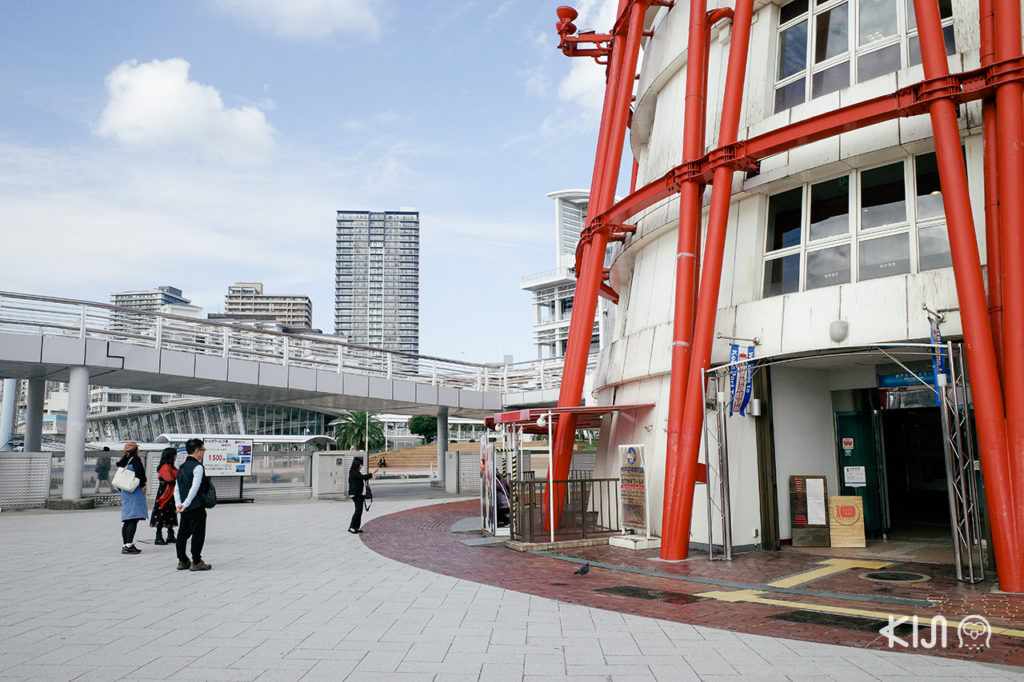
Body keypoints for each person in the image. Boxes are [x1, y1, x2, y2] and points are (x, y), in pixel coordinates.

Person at [174, 439, 212, 571]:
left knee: (182, 534)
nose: (203, 453)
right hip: (196, 506)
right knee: (198, 534)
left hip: (185, 508)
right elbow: (195, 487)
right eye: (203, 450)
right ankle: (196, 561)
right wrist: (186, 503)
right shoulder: (198, 467)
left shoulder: (182, 466)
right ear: (196, 451)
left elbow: (177, 487)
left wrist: (179, 504)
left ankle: (182, 560)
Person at [116, 442, 147, 554]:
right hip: (134, 491)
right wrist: (143, 485)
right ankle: (129, 545)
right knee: (134, 518)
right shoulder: (136, 460)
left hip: (125, 492)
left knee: (127, 519)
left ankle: (125, 544)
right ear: (136, 450)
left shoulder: (124, 460)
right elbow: (141, 476)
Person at [149, 447, 178, 545]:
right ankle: (158, 536)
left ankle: (170, 534)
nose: (176, 456)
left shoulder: (170, 466)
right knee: (161, 513)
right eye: (174, 455)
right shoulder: (165, 467)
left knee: (170, 513)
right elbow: (169, 479)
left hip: (170, 493)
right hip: (164, 494)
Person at [348, 456, 375, 534]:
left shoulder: (356, 472)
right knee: (358, 511)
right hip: (356, 494)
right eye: (360, 465)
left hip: (359, 494)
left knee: (359, 511)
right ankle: (352, 527)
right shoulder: (353, 472)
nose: (361, 466)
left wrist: (370, 475)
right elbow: (362, 477)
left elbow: (362, 478)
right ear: (357, 465)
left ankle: (356, 527)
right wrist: (371, 473)